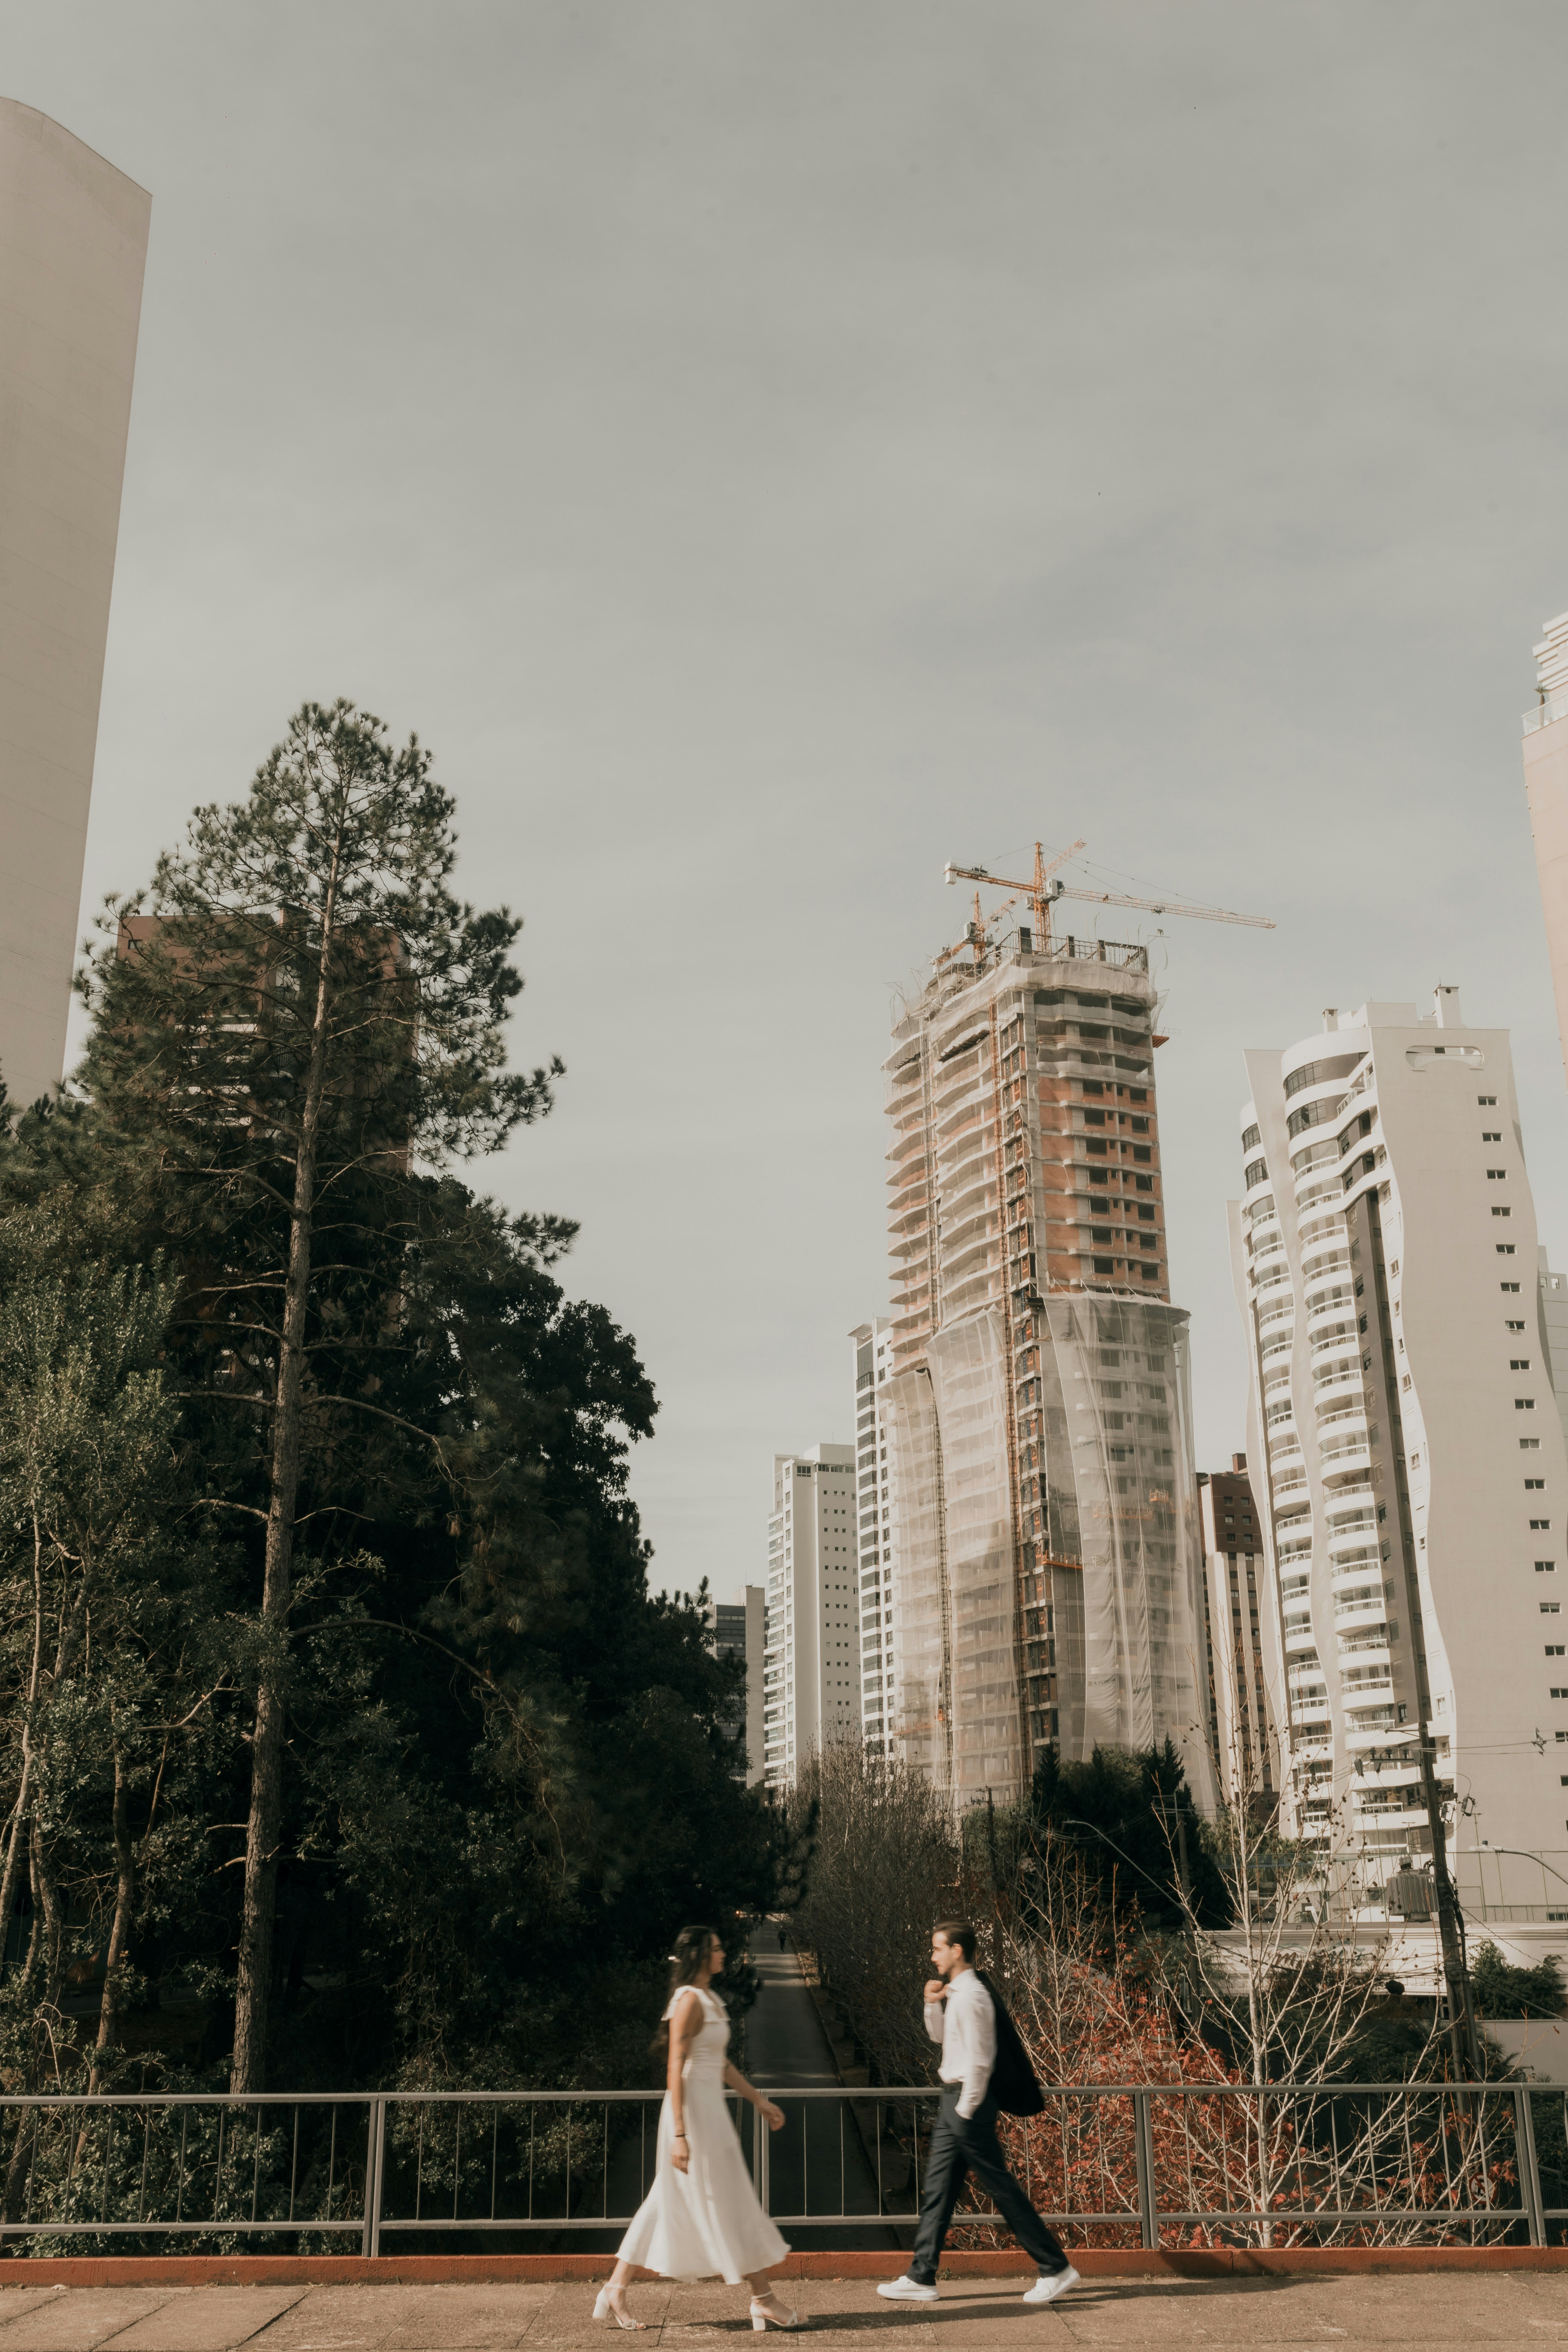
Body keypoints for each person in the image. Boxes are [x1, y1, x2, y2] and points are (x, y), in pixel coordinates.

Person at [596, 1925, 804, 2332]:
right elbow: (675, 2065)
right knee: (730, 2198)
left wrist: (757, 2100)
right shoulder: (688, 2001)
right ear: (698, 1956)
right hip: (689, 2112)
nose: (723, 1954)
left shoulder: (710, 1998)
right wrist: (678, 2133)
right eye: (716, 1949)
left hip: (710, 2111)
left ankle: (616, 2287)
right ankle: (763, 2299)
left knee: (668, 2200)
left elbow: (721, 2064)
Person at [876, 1920, 1080, 2308]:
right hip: (955, 2101)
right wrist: (930, 2003)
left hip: (966, 2104)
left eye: (937, 1948)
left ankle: (1055, 2268)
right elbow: (940, 2039)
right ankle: (921, 2276)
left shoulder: (972, 1996)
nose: (932, 1955)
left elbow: (980, 2061)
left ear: (957, 1951)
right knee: (938, 2191)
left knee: (1001, 2189)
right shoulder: (958, 1993)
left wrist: (965, 2111)